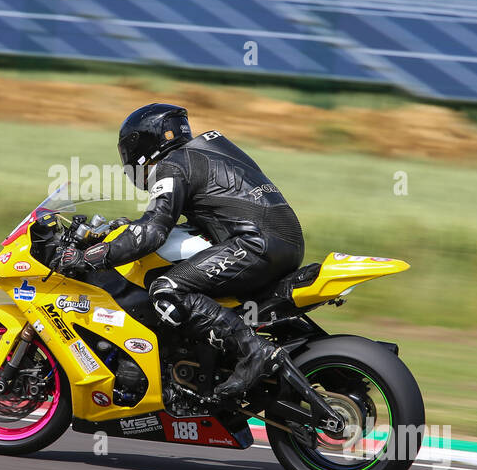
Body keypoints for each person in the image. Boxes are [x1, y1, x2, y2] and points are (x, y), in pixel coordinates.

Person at [58, 103, 305, 401]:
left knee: (167, 287)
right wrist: (124, 228)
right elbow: (211, 211)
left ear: (143, 146)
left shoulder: (172, 165)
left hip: (253, 244)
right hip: (283, 242)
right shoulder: (209, 150)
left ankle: (253, 353)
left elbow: (152, 232)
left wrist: (92, 256)